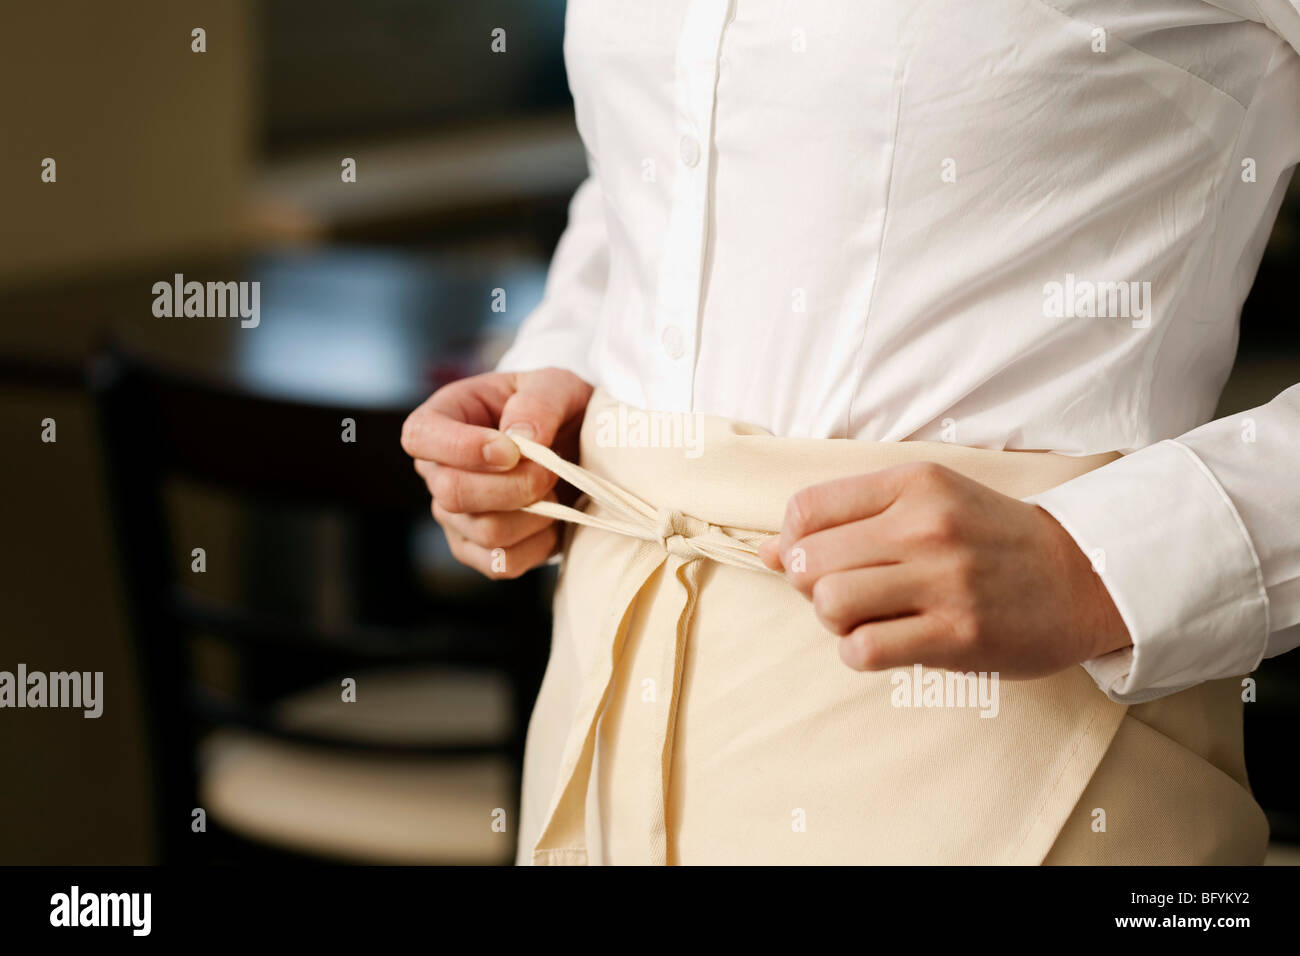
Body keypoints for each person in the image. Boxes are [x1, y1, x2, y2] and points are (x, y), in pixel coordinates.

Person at [402, 0, 1300, 865]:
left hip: (1006, 742)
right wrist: (562, 371)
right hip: (605, 687)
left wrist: (1103, 565)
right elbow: (653, 171)